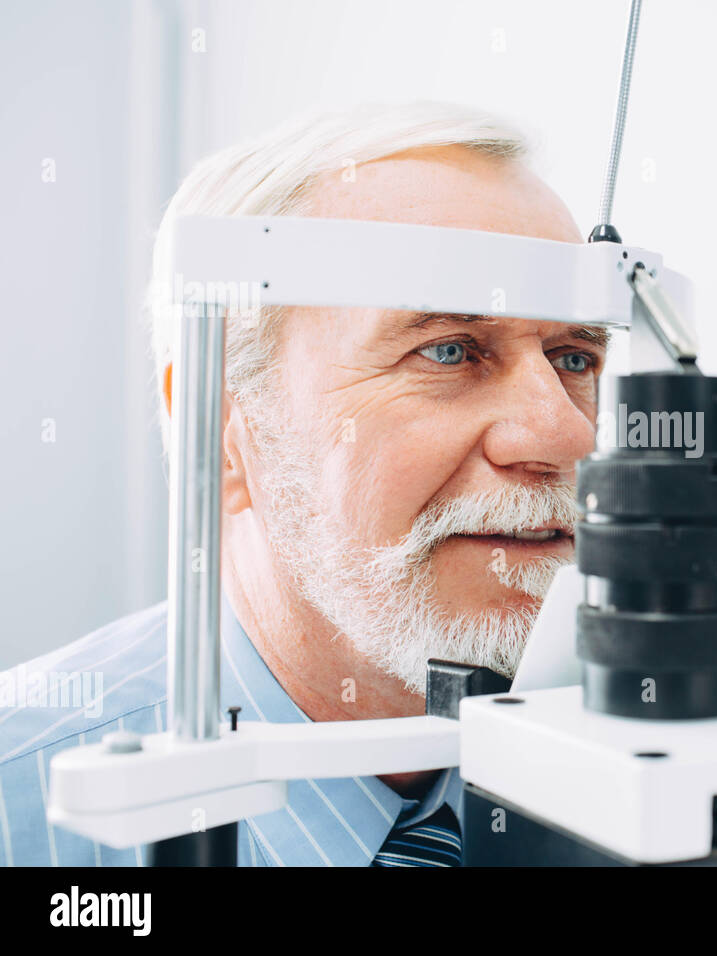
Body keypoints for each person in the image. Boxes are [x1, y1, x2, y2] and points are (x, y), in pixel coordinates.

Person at [0, 101, 607, 866]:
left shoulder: (662, 773)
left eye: (576, 358)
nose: (564, 435)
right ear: (219, 428)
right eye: (450, 351)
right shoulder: (20, 811)